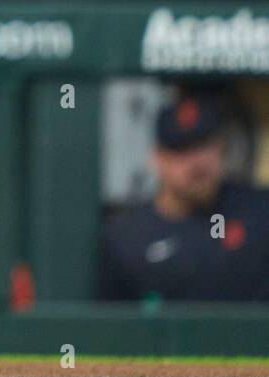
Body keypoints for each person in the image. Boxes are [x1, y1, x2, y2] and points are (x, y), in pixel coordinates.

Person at [99, 94, 269, 301]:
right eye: (182, 150)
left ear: (220, 147)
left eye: (204, 146)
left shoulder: (259, 212)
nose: (197, 162)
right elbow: (110, 325)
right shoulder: (127, 237)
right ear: (157, 159)